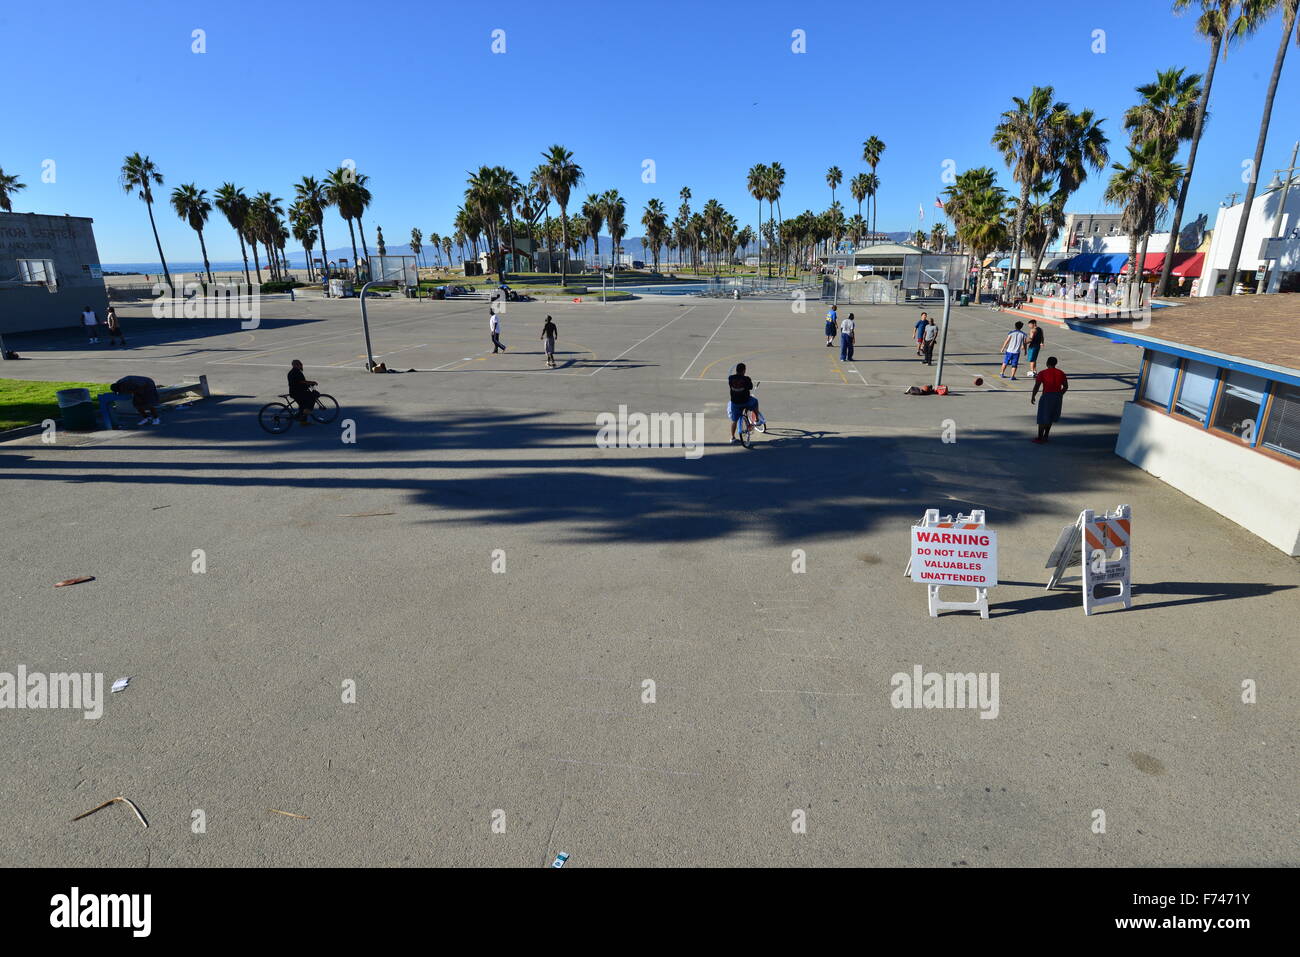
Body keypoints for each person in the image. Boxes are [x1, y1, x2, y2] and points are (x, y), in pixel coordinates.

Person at [1030, 356, 1068, 443]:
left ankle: (1040, 438)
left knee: (1042, 417)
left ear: (1047, 363)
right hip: (1057, 396)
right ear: (1055, 363)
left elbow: (1037, 386)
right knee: (1050, 416)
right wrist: (1059, 394)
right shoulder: (1061, 373)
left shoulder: (1042, 373)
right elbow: (1065, 386)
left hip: (1047, 396)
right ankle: (1046, 436)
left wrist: (1033, 396)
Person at [727, 362, 762, 444]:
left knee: (734, 420)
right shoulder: (746, 379)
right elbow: (750, 387)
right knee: (755, 402)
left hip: (735, 403)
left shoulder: (731, 378)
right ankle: (756, 419)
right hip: (746, 401)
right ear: (743, 371)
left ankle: (732, 437)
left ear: (736, 370)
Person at [287, 359, 318, 423]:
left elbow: (298, 382)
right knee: (312, 397)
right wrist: (311, 382)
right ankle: (302, 416)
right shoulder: (296, 372)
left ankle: (302, 419)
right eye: (300, 364)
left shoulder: (292, 372)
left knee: (303, 405)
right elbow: (302, 381)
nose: (301, 366)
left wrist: (308, 383)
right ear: (297, 365)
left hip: (295, 392)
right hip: (298, 392)